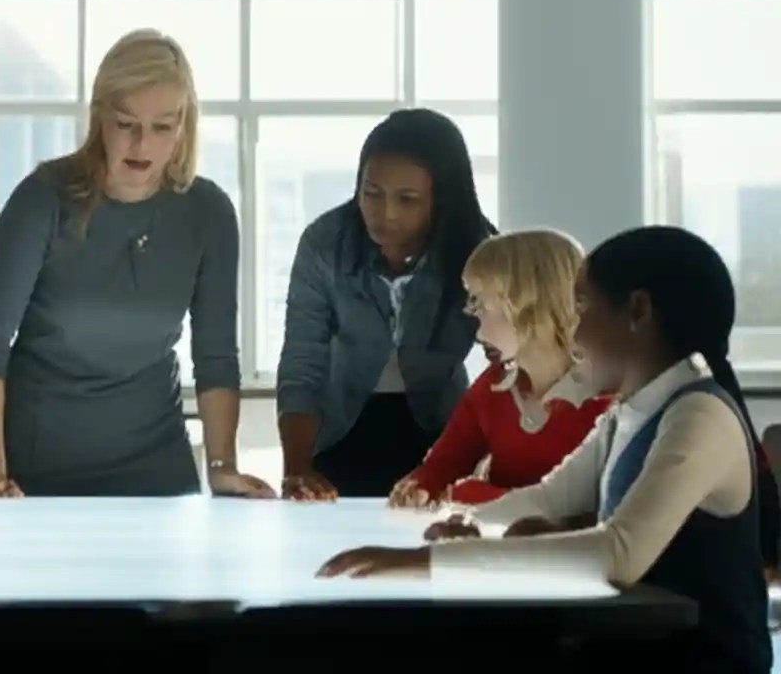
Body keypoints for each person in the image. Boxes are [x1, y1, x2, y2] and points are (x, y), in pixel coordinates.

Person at [317, 225, 779, 673]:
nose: (574, 336)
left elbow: (618, 551)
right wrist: (465, 523)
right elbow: (550, 496)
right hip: (638, 650)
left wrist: (426, 563)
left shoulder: (698, 415)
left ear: (638, 311)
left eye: (583, 309)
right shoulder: (626, 413)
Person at [0, 28, 274, 498]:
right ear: (99, 117)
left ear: (185, 126)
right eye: (127, 123)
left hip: (157, 470)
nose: (142, 145)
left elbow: (216, 358)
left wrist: (223, 465)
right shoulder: (42, 199)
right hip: (37, 474)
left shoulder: (208, 213)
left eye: (163, 126)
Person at [276, 108, 496, 500]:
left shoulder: (478, 249)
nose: (385, 214)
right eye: (371, 193)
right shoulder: (325, 244)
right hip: (339, 426)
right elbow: (303, 361)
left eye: (407, 199)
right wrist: (297, 467)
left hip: (440, 428)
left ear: (441, 200)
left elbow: (508, 359)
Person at [387, 229, 613, 507]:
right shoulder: (493, 387)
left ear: (528, 306)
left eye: (480, 304)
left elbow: (591, 508)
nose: (476, 326)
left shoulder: (608, 396)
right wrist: (421, 486)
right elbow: (443, 465)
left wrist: (483, 496)